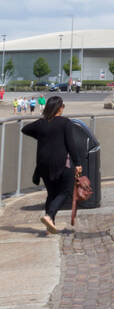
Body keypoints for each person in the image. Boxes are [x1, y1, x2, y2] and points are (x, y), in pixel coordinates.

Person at [21, 95, 82, 234]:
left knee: (51, 193)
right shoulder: (65, 122)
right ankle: (49, 216)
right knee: (65, 191)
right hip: (60, 163)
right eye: (63, 106)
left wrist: (43, 136)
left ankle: (50, 225)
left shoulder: (41, 123)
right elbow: (70, 145)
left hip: (43, 164)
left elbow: (24, 129)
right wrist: (77, 163)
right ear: (59, 108)